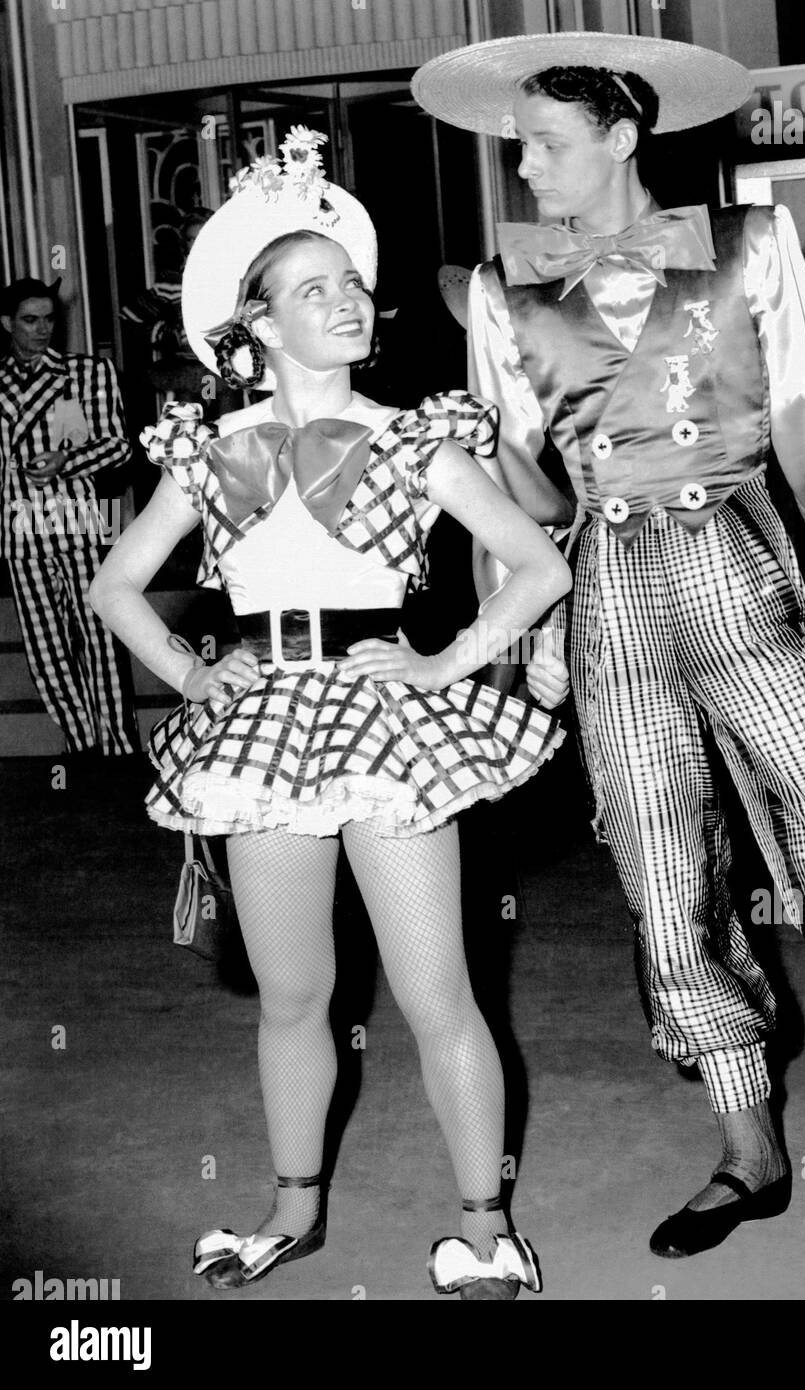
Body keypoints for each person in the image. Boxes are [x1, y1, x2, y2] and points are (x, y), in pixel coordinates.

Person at [413, 32, 805, 1267]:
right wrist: (528, 620)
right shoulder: (501, 288)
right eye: (516, 148)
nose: (525, 168)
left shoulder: (751, 248)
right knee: (664, 885)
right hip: (608, 587)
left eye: (544, 145)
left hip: (743, 567)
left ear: (620, 138)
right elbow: (514, 483)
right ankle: (748, 1148)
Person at [89, 128, 571, 1299]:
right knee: (295, 995)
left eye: (351, 284)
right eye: (315, 291)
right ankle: (290, 1211)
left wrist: (449, 656)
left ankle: (487, 1230)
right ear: (257, 325)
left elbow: (539, 564)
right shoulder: (209, 452)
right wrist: (197, 676)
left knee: (435, 991)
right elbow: (112, 584)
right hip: (262, 735)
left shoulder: (415, 438)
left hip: (383, 726)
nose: (348, 303)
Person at [0, 276, 136, 755]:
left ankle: (118, 747)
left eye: (49, 319)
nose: (42, 330)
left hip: (76, 519)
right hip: (19, 531)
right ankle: (82, 743)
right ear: (7, 323)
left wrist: (66, 460)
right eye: (29, 320)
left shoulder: (86, 372)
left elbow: (118, 447)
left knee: (99, 637)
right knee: (45, 651)